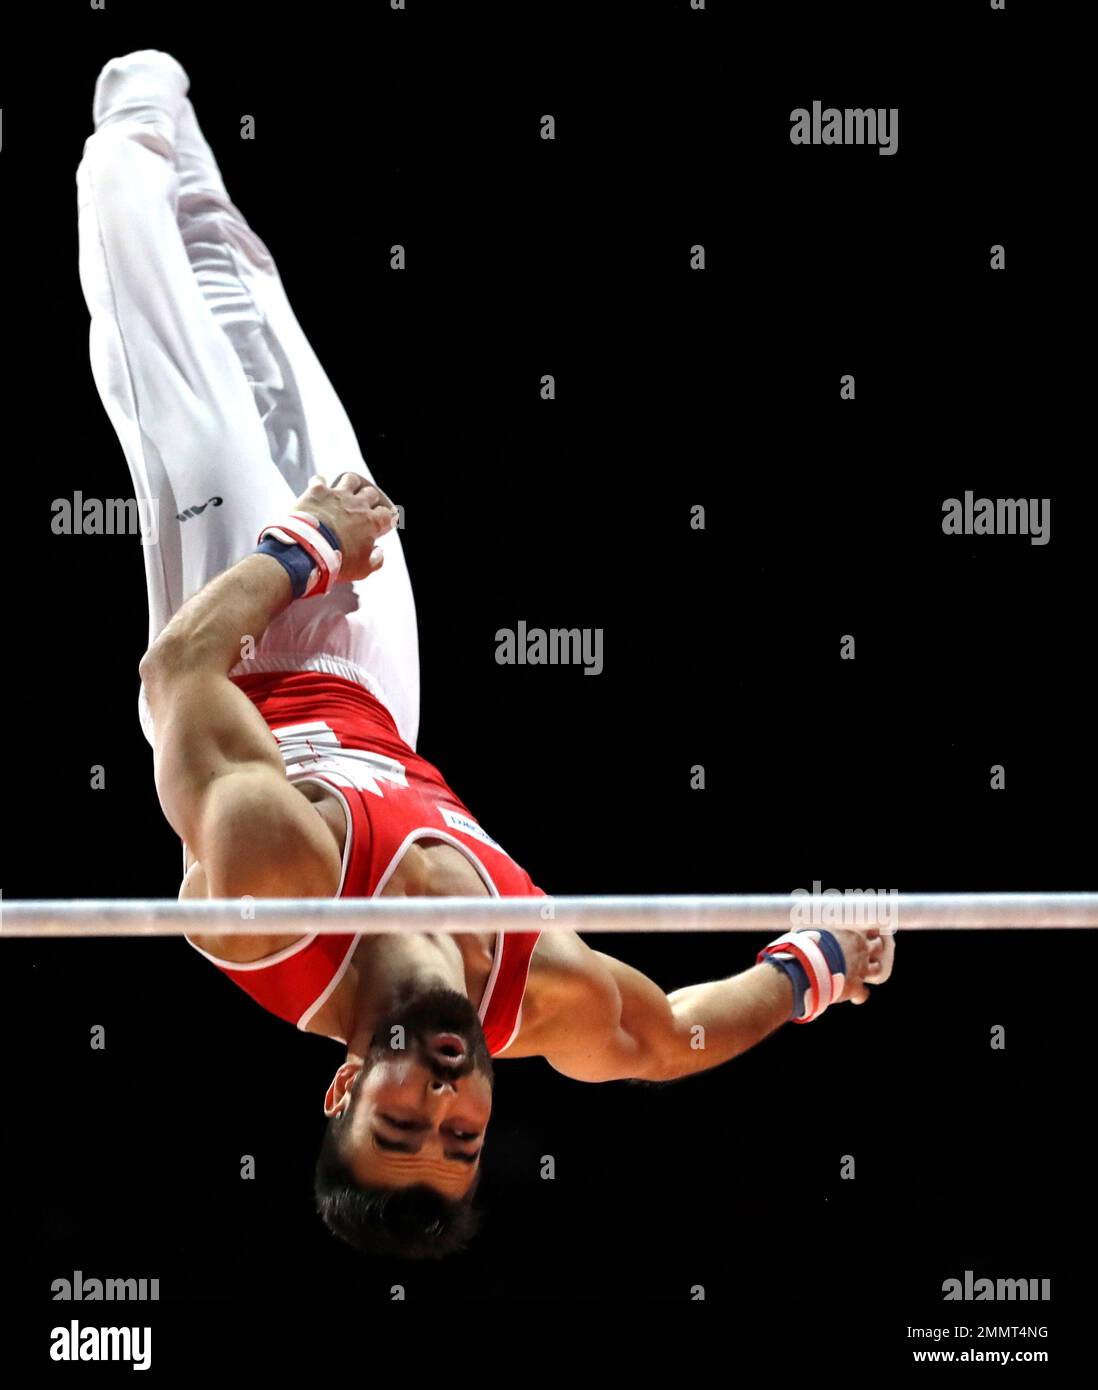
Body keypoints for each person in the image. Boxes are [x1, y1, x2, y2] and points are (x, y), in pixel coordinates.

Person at [77, 50, 895, 1261]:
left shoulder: (269, 897)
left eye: (401, 1123)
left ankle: (131, 106)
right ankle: (183, 141)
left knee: (164, 327)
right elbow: (670, 1033)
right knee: (256, 316)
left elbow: (173, 679)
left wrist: (308, 547)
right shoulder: (534, 994)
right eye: (459, 1140)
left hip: (235, 636)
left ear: (341, 1087)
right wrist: (822, 959)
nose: (447, 1108)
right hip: (372, 683)